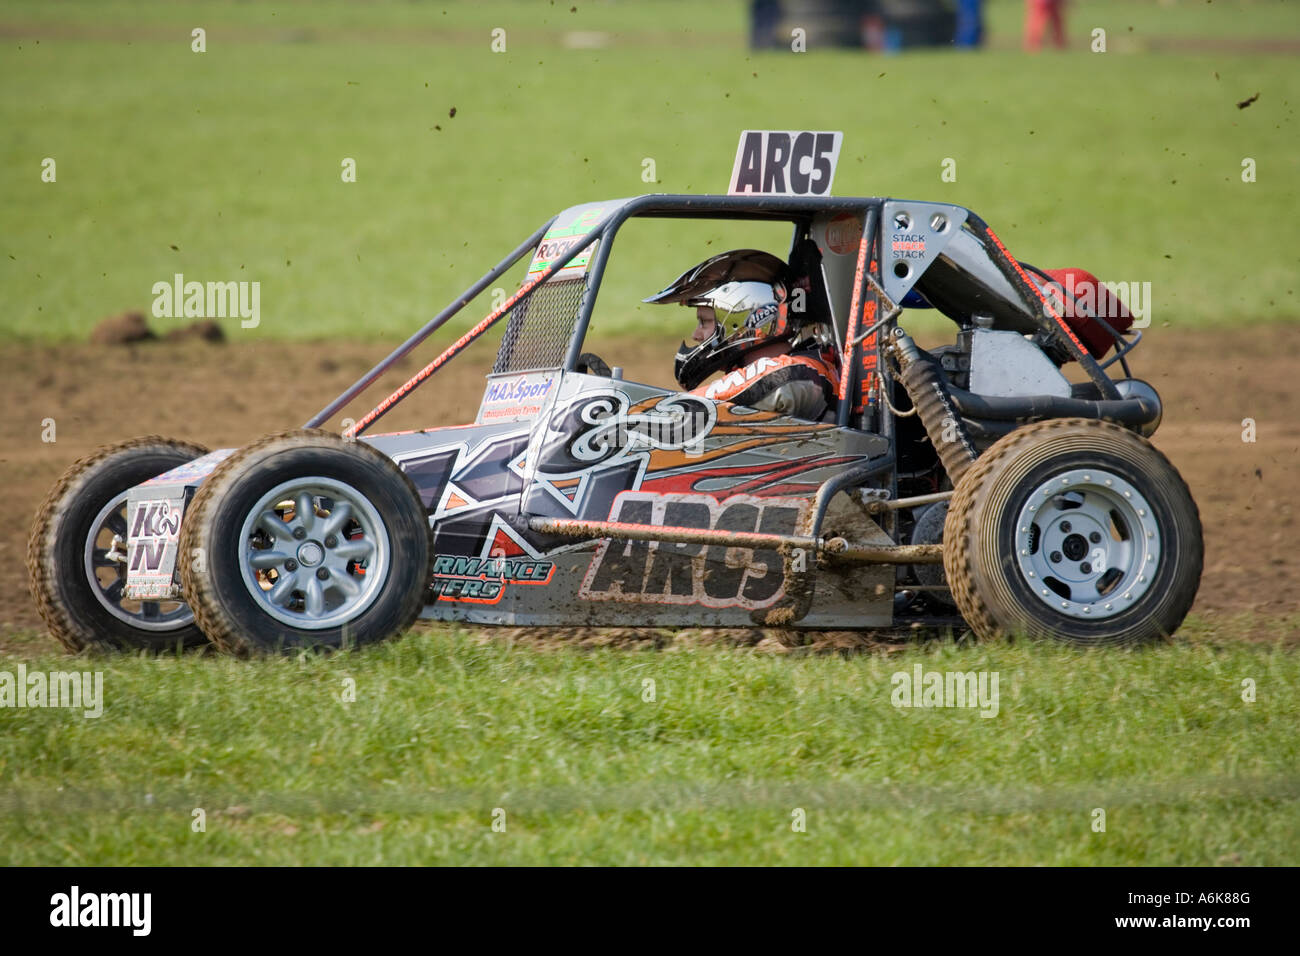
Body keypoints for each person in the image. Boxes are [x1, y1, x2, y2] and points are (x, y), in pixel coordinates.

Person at [644, 249, 840, 421]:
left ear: (744, 319)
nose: (696, 334)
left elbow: (772, 380)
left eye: (705, 322)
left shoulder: (803, 372)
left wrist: (652, 413)